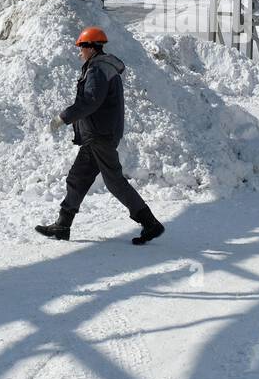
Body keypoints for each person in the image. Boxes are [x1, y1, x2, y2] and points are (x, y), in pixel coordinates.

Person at [36, 26, 165, 245]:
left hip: (99, 135)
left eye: (81, 47)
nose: (79, 52)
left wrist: (63, 117)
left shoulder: (97, 70)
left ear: (91, 47)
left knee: (114, 182)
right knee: (77, 178)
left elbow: (90, 101)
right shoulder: (101, 68)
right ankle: (62, 225)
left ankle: (150, 223)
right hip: (97, 134)